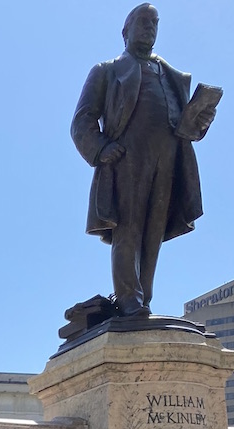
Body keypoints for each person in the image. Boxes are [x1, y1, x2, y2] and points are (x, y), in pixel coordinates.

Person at [71, 4, 217, 317]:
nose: (150, 27)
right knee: (128, 229)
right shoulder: (106, 71)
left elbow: (184, 126)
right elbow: (82, 120)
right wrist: (101, 148)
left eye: (154, 22)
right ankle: (128, 299)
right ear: (125, 32)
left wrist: (199, 119)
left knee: (154, 233)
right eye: (143, 21)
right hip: (127, 159)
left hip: (168, 159)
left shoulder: (172, 75)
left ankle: (143, 300)